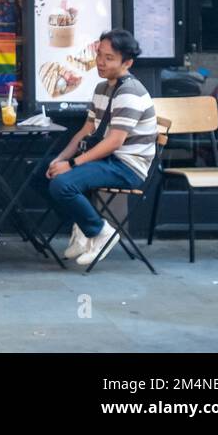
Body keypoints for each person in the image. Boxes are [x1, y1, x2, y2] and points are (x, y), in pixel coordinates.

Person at [43, 29, 158, 267]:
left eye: (109, 58)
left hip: (127, 166)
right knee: (39, 175)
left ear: (127, 62)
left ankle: (100, 231)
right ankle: (84, 228)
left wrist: (72, 164)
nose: (101, 63)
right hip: (105, 159)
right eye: (99, 56)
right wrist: (60, 159)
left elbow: (114, 141)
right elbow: (86, 130)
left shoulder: (130, 92)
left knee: (62, 184)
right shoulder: (102, 88)